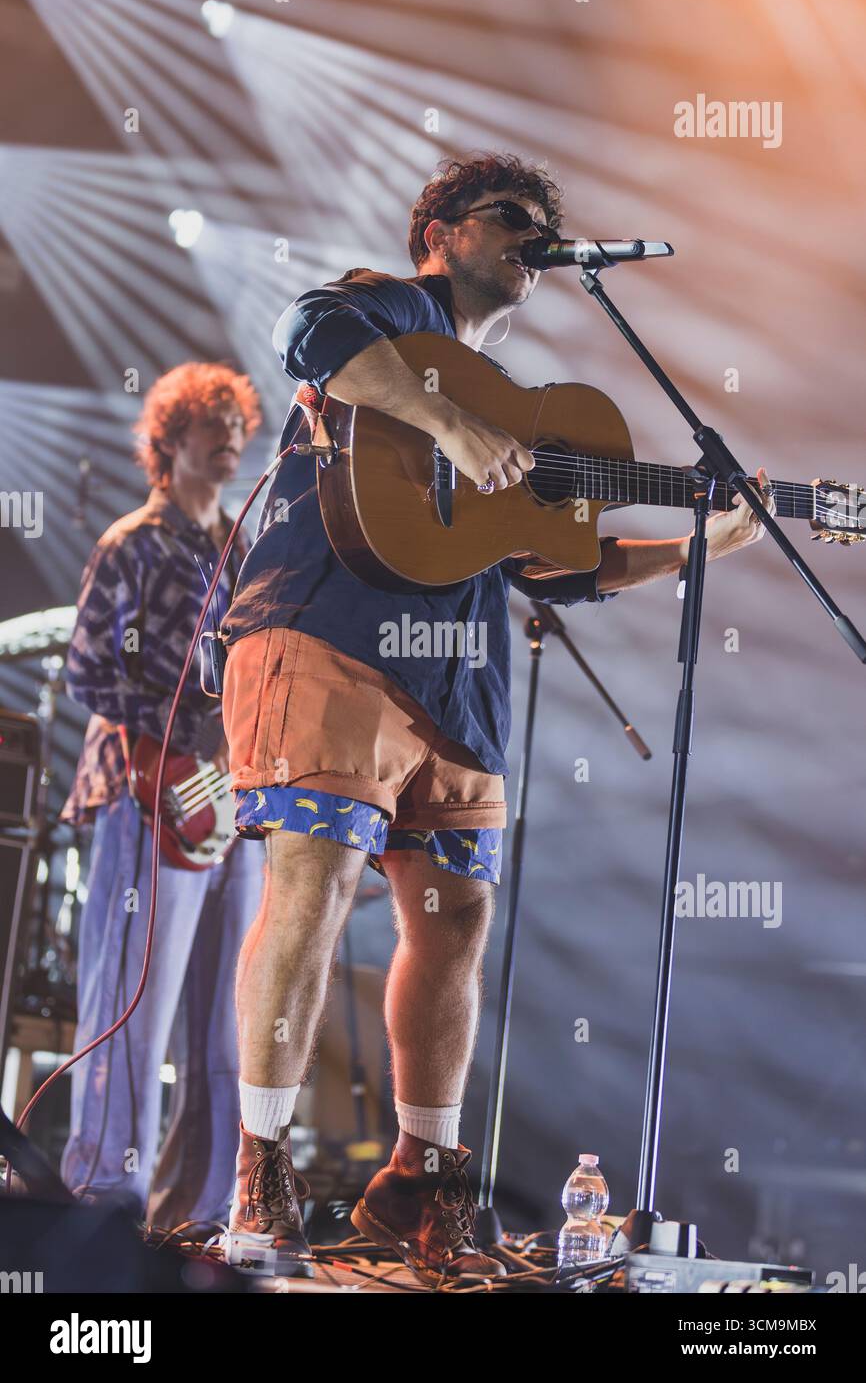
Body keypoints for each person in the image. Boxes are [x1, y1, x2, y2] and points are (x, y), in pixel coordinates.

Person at [220, 154, 774, 1284]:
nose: (536, 235)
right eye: (511, 218)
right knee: (313, 882)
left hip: (457, 677)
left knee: (455, 920)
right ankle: (260, 1165)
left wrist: (695, 548)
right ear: (441, 230)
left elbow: (556, 566)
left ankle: (417, 1179)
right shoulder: (392, 312)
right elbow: (304, 327)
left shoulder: (517, 400)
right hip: (330, 625)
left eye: (547, 224)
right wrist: (448, 427)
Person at [61, 363, 265, 1229]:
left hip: (234, 807)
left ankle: (206, 1211)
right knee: (131, 1005)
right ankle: (105, 1200)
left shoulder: (245, 550)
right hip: (146, 794)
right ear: (170, 440)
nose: (228, 434)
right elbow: (85, 673)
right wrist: (188, 737)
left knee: (234, 1019)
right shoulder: (130, 542)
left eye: (235, 421)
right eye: (209, 421)